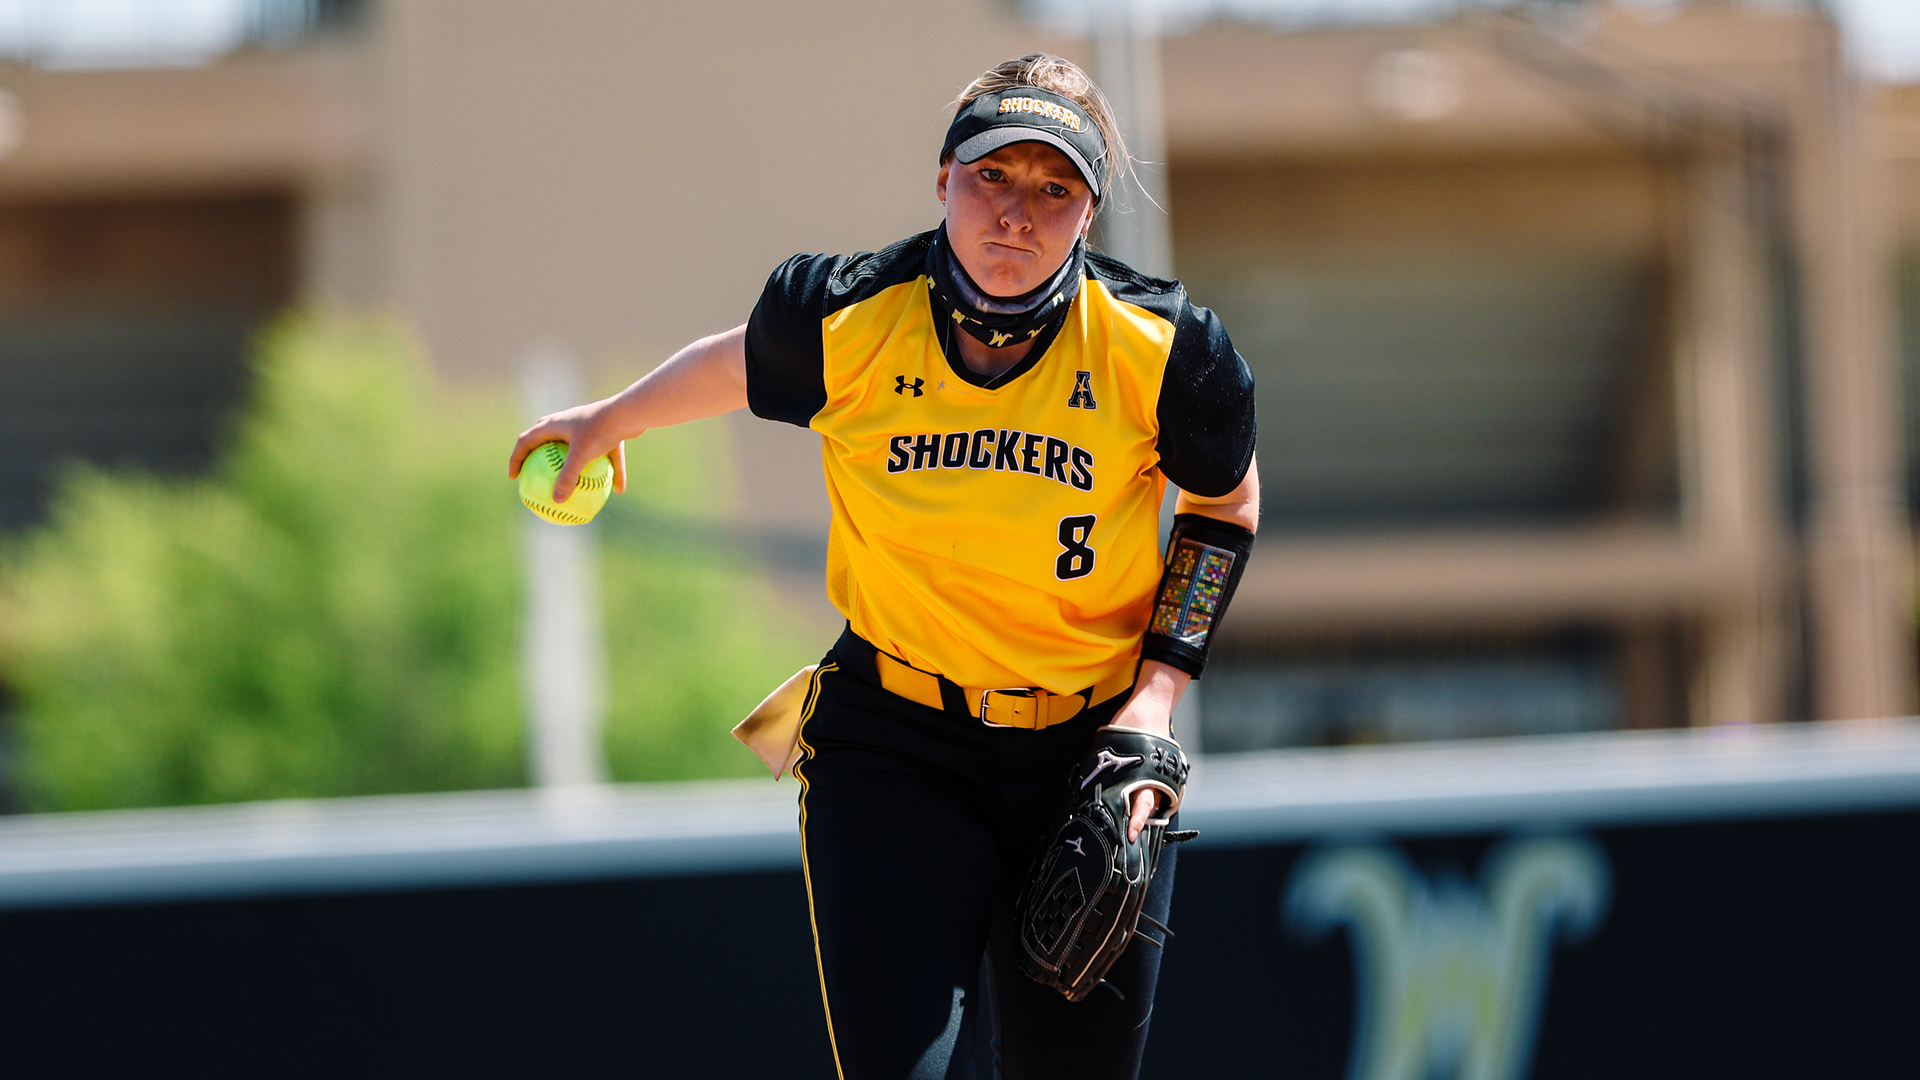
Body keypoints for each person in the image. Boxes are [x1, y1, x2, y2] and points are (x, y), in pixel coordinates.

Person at [509, 53, 1258, 1080]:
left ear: (1089, 211)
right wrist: (608, 419)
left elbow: (1227, 500)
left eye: (1055, 188)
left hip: (1093, 753)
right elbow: (737, 361)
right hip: (898, 747)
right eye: (994, 174)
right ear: (942, 177)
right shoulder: (851, 314)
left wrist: (1160, 694)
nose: (1016, 212)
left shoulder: (1164, 349)